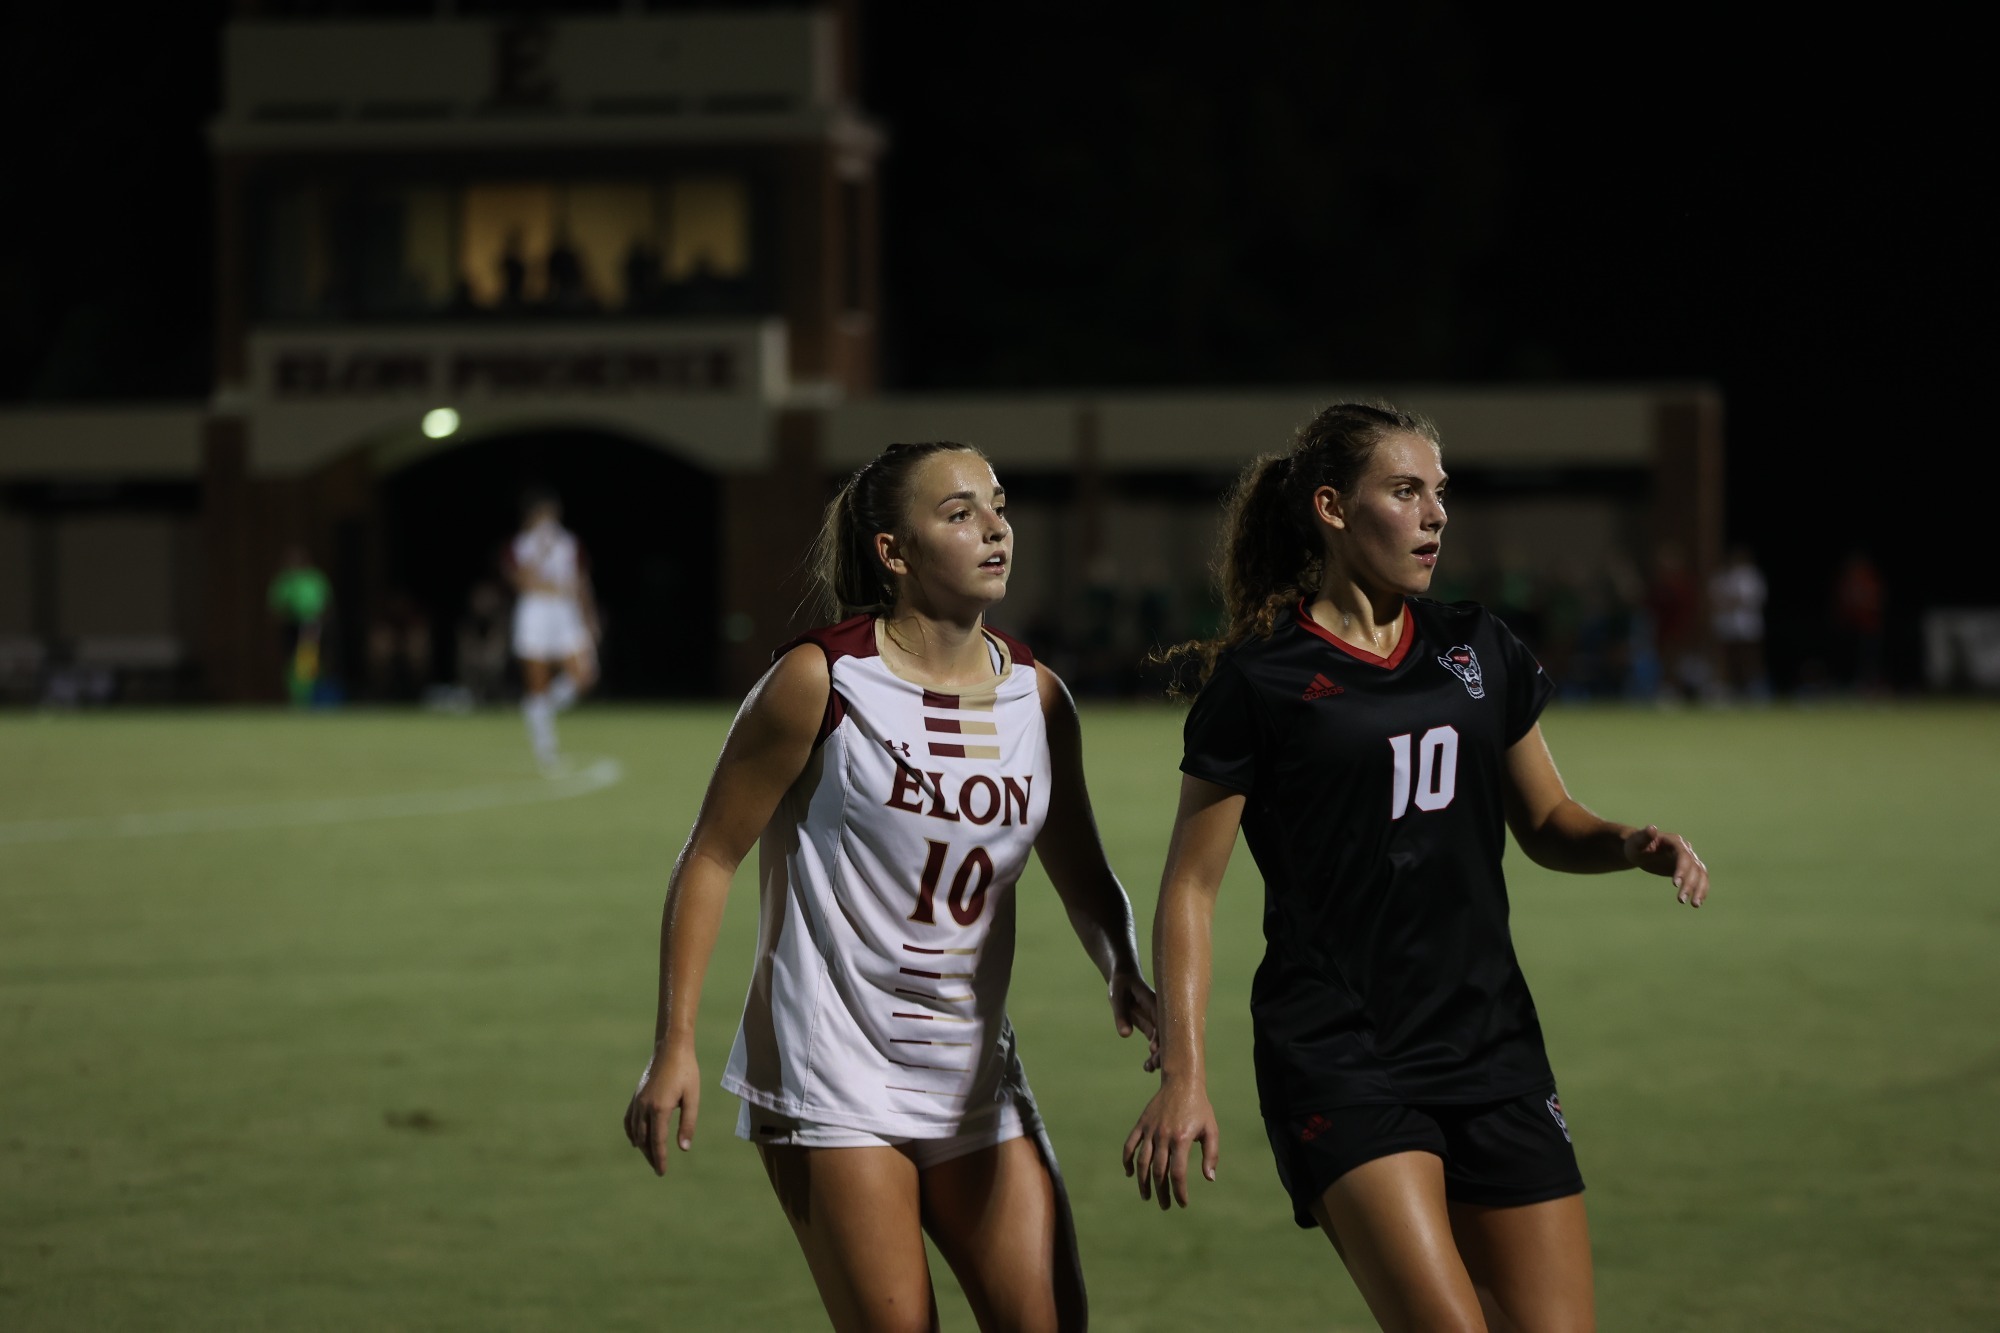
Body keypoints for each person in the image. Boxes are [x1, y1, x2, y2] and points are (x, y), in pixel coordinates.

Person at [1122, 403, 1709, 1333]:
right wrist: (1184, 1075)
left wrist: (1627, 842)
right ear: (1331, 507)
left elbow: (1549, 819)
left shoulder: (1477, 645)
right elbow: (1191, 886)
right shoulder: (1263, 680)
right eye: (1405, 491)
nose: (1435, 514)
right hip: (1343, 1055)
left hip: (1492, 1045)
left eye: (1441, 493)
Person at [623, 441, 1157, 1332]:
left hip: (972, 1073)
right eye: (959, 514)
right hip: (831, 1074)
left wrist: (1122, 965)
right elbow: (711, 854)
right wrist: (674, 1043)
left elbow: (1083, 872)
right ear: (893, 553)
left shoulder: (1039, 697)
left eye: (997, 504)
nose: (994, 528)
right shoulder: (819, 681)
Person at [506, 492, 598, 770]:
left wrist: (589, 616)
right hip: (535, 613)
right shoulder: (521, 545)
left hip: (565, 612)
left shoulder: (569, 543)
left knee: (585, 674)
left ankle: (541, 711)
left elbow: (581, 581)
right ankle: (546, 747)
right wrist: (540, 552)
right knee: (537, 682)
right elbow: (521, 581)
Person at [268, 545, 331, 706]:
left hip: (310, 623)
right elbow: (276, 605)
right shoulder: (284, 580)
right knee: (290, 661)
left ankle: (307, 697)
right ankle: (295, 698)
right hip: (290, 624)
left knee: (307, 661)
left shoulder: (315, 578)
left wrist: (318, 620)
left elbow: (325, 602)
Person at [1708, 545, 1768, 701]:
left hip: (1748, 626)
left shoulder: (1751, 577)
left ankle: (1753, 689)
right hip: (1726, 626)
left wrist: (1730, 602)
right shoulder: (1722, 577)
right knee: (1726, 659)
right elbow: (1715, 600)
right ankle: (1727, 689)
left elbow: (1750, 600)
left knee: (1749, 658)